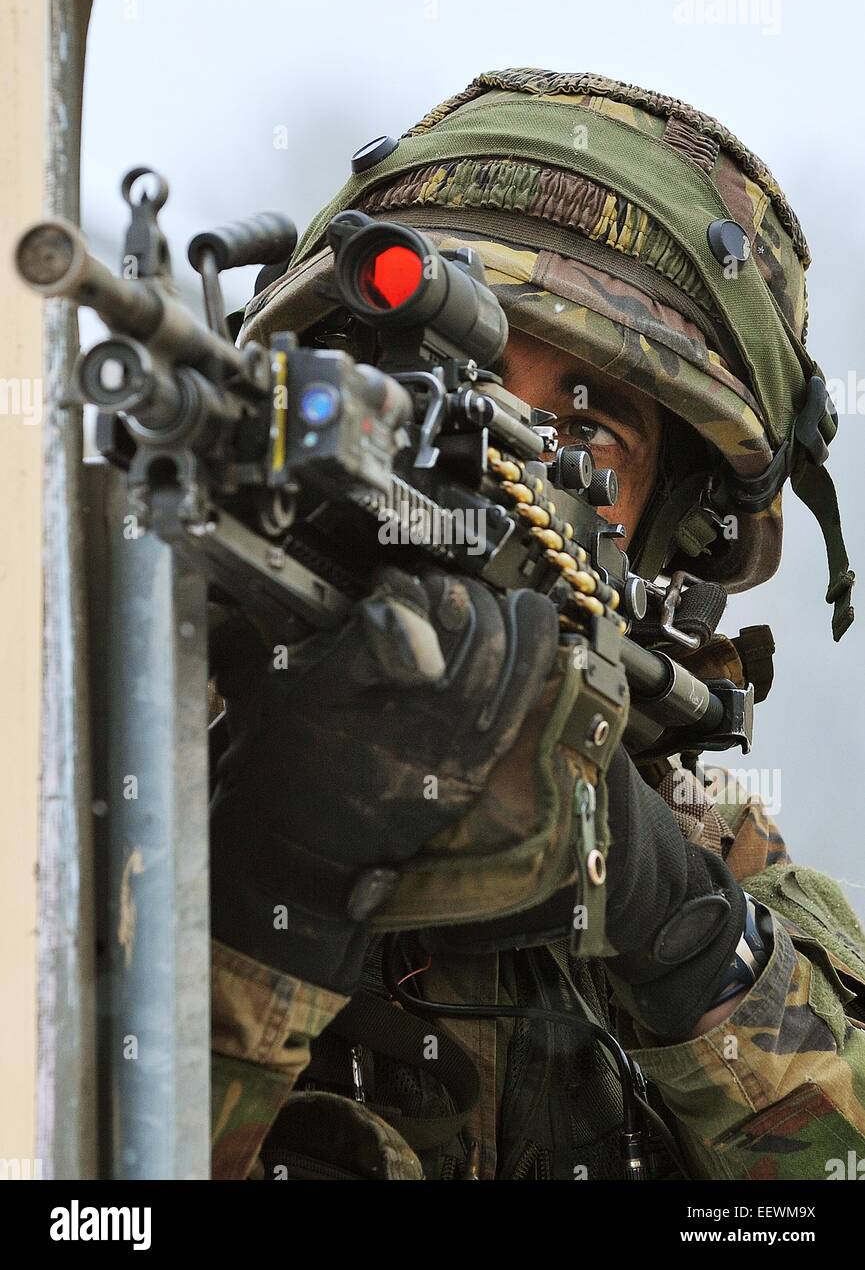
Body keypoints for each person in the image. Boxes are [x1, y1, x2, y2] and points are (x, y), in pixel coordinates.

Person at [207, 68, 865, 1180]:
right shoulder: (107, 745)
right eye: (435, 378)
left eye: (587, 423)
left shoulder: (707, 845)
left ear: (670, 538)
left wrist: (678, 930)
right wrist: (262, 894)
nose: (489, 451)